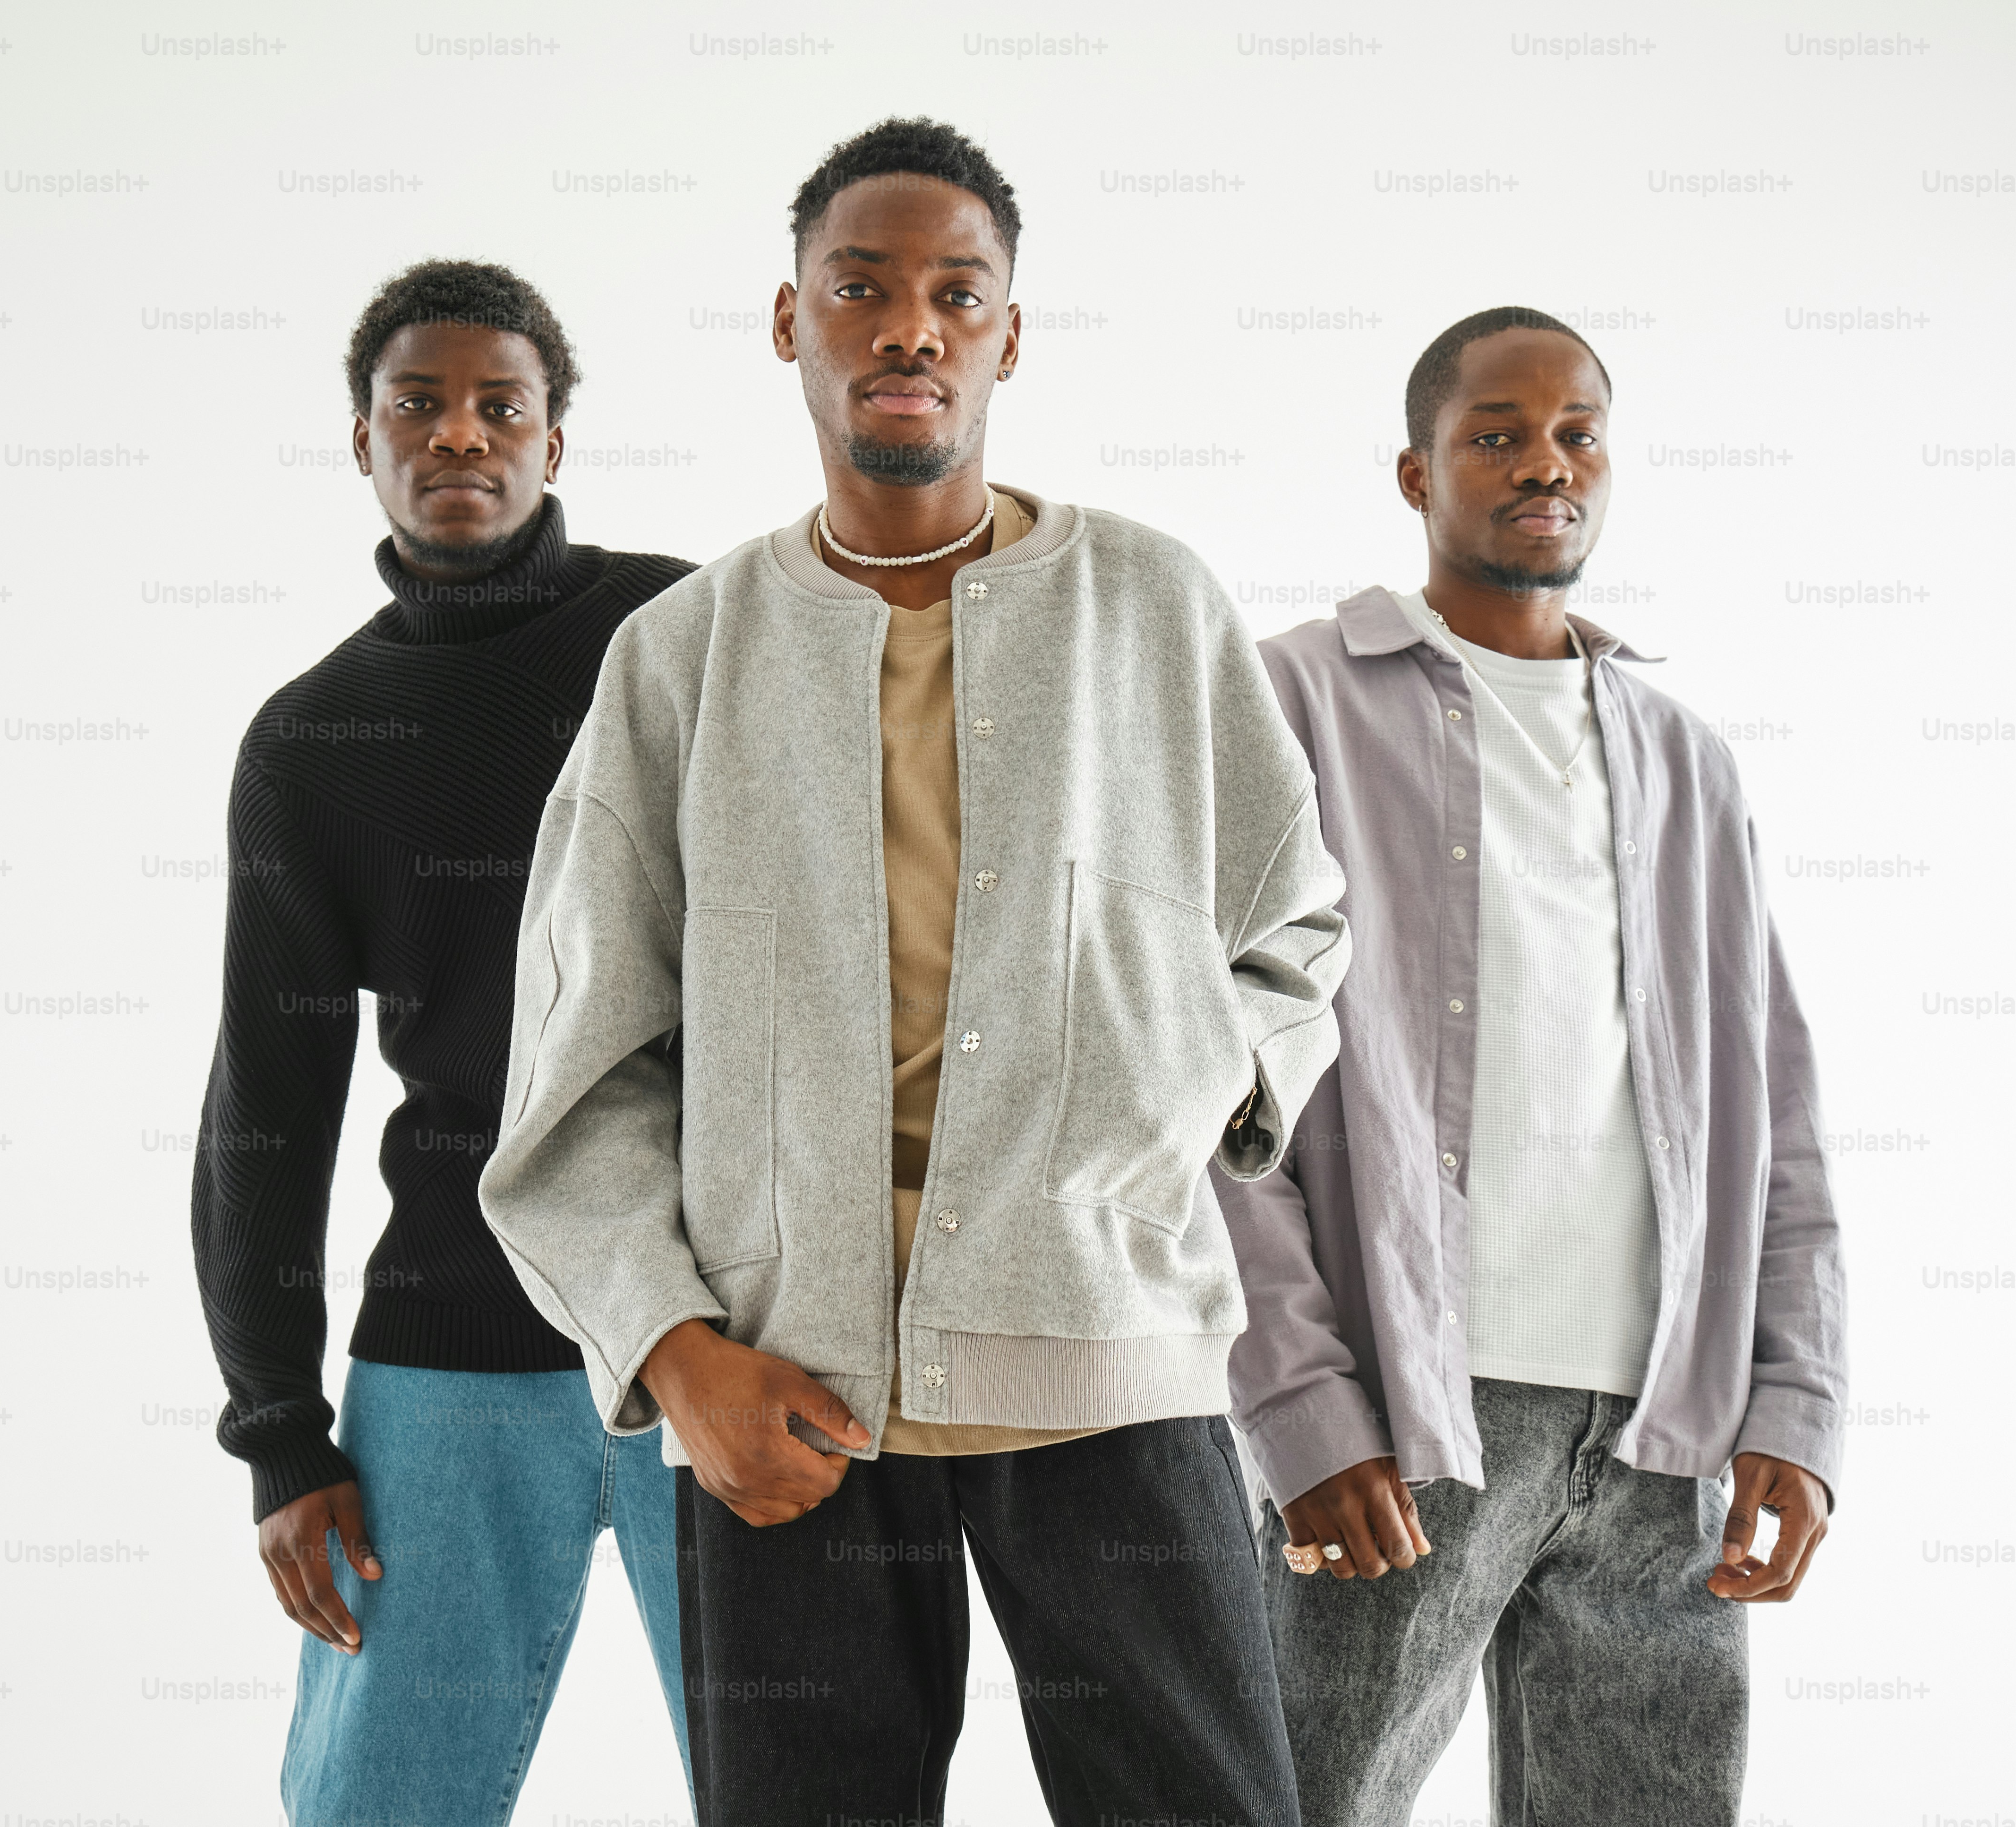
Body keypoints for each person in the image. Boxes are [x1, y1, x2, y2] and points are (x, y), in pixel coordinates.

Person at [477, 118, 1347, 1825]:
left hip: (1109, 1359)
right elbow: (579, 1065)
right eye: (860, 288)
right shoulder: (680, 658)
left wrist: (1176, 1103)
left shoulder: (1153, 608)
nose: (910, 330)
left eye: (958, 294)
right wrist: (676, 1355)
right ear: (787, 319)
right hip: (784, 1395)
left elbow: (1296, 930)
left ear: (1010, 336)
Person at [1217, 306, 1848, 1825]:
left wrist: (1796, 1402)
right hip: (1407, 1415)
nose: (1544, 464)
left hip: (1664, 1427)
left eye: (1577, 435)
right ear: (1416, 472)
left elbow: (1772, 1105)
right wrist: (1300, 1405)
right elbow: (1206, 1087)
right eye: (1495, 434)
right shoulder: (1290, 698)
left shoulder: (1684, 753)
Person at [188, 260, 694, 1824]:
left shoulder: (682, 633)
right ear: (364, 438)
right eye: (418, 403)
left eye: (500, 406)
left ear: (555, 438)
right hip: (448, 1357)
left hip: (719, 1334)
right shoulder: (311, 741)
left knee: (810, 1790)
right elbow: (269, 1104)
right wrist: (281, 1432)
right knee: (376, 1806)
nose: (459, 435)